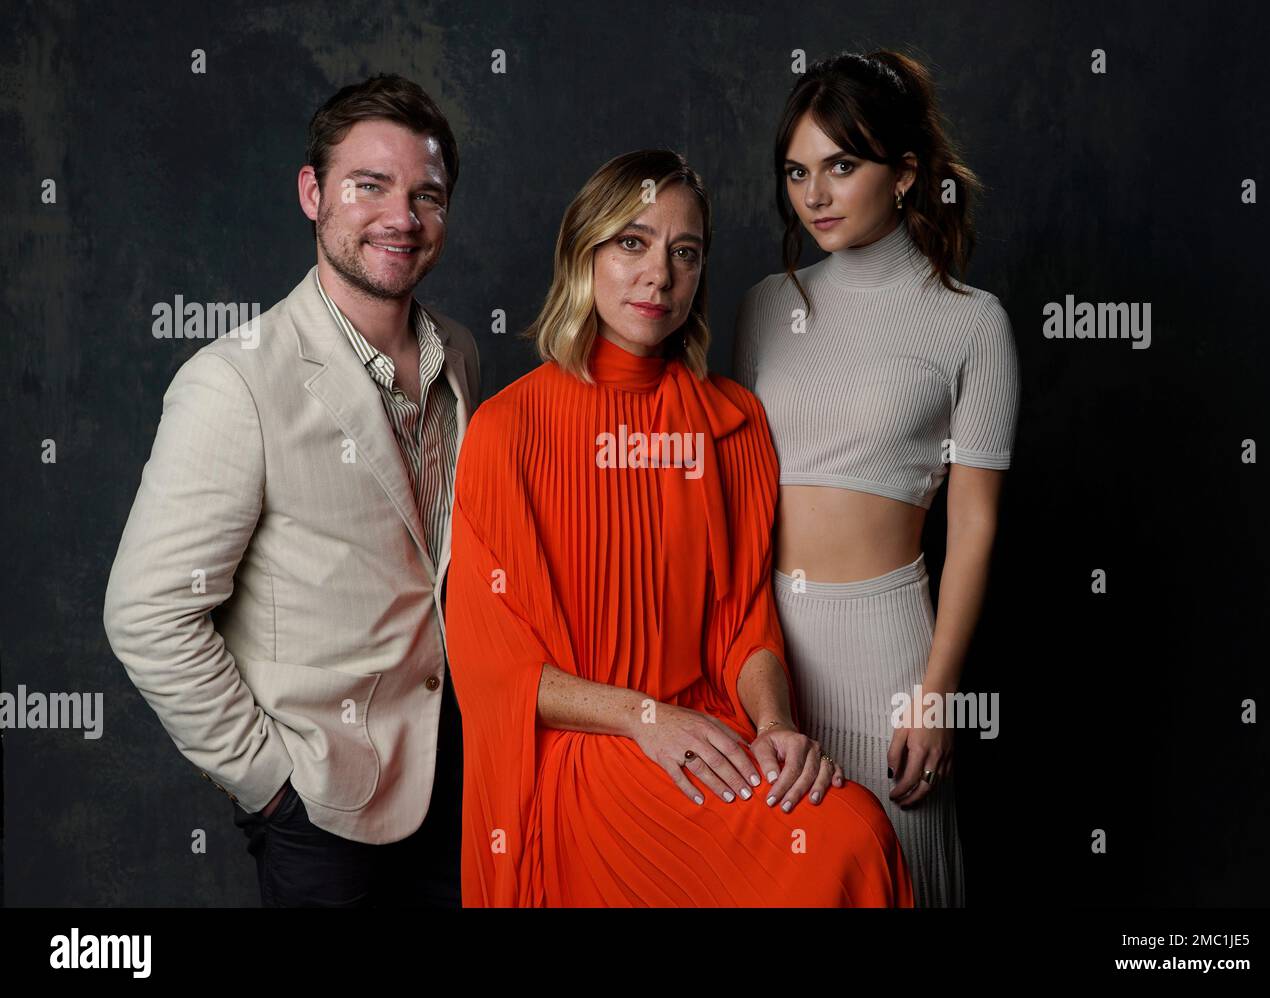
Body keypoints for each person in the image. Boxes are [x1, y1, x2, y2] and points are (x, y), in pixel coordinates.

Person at [445, 148, 914, 907]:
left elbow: (745, 626)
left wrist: (776, 725)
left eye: (684, 252)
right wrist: (644, 718)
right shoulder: (507, 432)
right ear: (583, 251)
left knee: (852, 834)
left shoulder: (732, 424)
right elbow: (492, 669)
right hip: (588, 752)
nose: (658, 274)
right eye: (632, 242)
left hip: (712, 727)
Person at [102, 74, 480, 907]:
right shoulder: (235, 380)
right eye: (369, 186)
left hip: (458, 776)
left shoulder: (458, 355)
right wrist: (270, 783)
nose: (402, 218)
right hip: (324, 806)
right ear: (313, 193)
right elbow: (145, 611)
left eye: (427, 195)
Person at [733, 50, 1021, 908]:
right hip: (766, 653)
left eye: (841, 166)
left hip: (889, 648)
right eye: (797, 172)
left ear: (902, 176)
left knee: (899, 874)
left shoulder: (973, 324)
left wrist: (935, 696)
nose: (814, 194)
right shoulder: (761, 308)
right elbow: (732, 495)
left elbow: (973, 527)